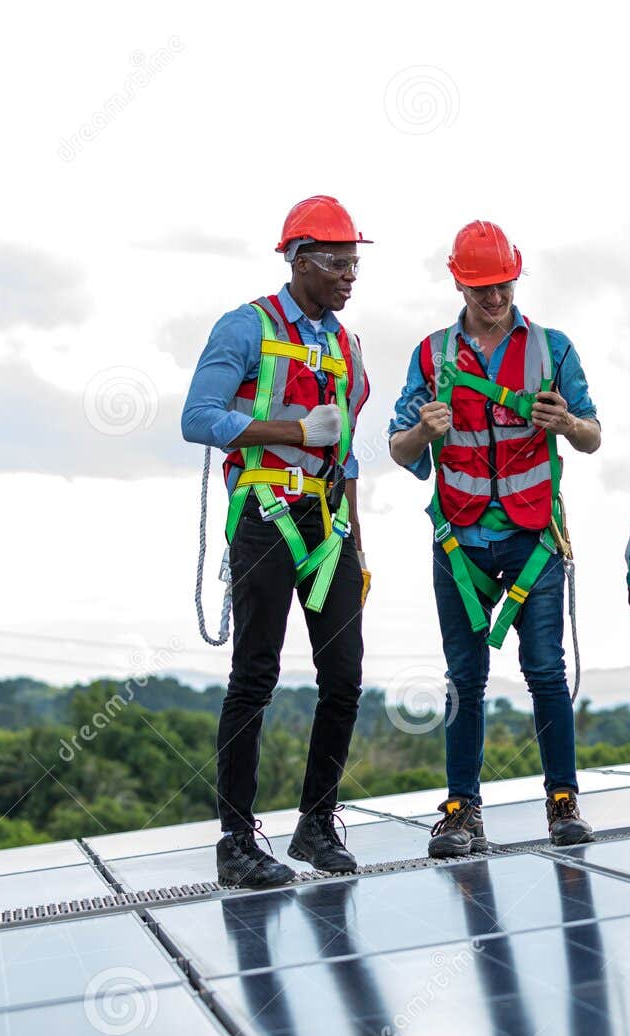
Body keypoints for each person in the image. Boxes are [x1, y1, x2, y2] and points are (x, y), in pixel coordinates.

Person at [388, 221, 601, 856]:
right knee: (464, 677)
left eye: (503, 284)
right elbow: (399, 449)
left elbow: (592, 435)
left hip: (534, 537)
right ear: (458, 281)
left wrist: (564, 420)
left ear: (516, 276)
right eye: (482, 287)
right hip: (461, 542)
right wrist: (423, 433)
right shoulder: (432, 355)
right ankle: (461, 811)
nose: (495, 298)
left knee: (544, 670)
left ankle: (563, 800)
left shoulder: (553, 348)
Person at [180, 195, 372, 887]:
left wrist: (356, 539)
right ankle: (236, 840)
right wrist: (294, 434)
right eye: (337, 263)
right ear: (299, 261)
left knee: (345, 677)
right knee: (255, 675)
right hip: (265, 516)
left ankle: (316, 825)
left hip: (329, 523)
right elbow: (197, 418)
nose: (349, 276)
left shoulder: (347, 345)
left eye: (355, 263)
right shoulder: (246, 328)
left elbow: (346, 448)